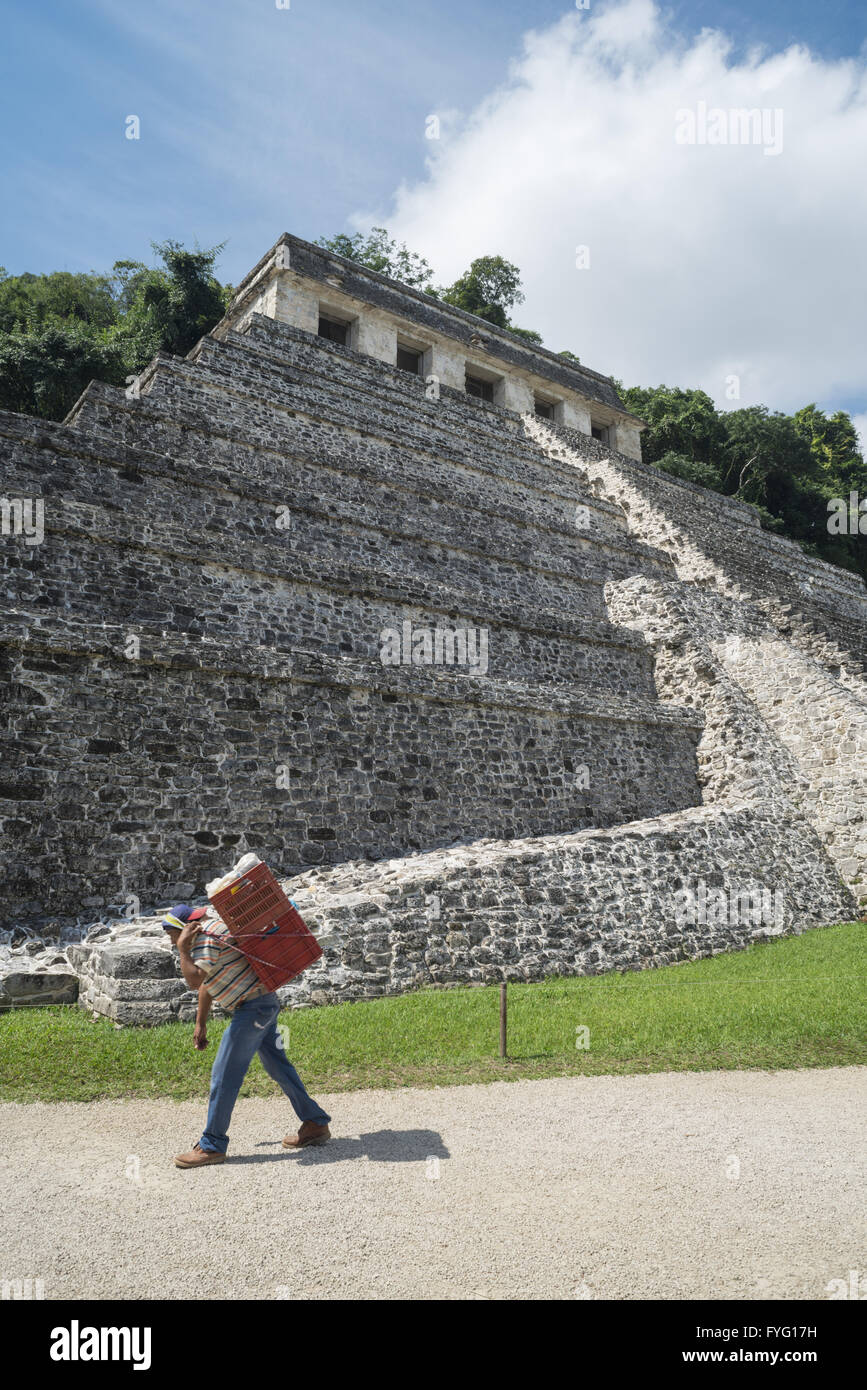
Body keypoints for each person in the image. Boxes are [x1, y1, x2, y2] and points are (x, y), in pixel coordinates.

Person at [161, 904, 332, 1167]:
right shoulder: (212, 932)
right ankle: (315, 1123)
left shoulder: (205, 939)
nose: (170, 940)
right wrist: (201, 1023)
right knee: (278, 1067)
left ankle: (212, 1145)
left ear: (184, 928)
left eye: (171, 933)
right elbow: (208, 982)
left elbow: (195, 980)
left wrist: (183, 949)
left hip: (252, 1009)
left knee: (224, 1074)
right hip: (264, 1003)